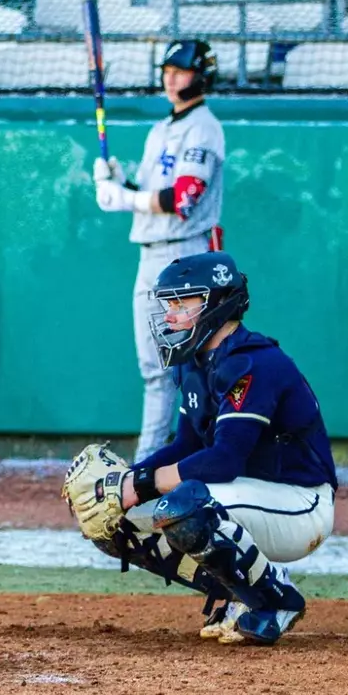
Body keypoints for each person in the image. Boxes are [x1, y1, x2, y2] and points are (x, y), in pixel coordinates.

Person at [63, 251, 337, 646]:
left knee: (187, 504)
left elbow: (224, 459)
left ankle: (276, 598)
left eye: (182, 302)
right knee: (116, 521)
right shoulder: (195, 362)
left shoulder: (255, 363)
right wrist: (125, 484)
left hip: (300, 503)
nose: (170, 313)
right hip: (245, 496)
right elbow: (186, 446)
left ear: (219, 303)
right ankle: (238, 592)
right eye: (168, 303)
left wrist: (139, 484)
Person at [92, 40, 226, 457]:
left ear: (201, 76)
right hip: (150, 256)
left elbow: (183, 198)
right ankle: (147, 465)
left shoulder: (204, 127)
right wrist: (120, 183)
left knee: (188, 369)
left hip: (183, 258)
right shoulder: (160, 130)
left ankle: (203, 459)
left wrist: (125, 199)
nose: (170, 77)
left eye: (180, 70)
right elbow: (154, 195)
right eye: (167, 69)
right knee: (155, 371)